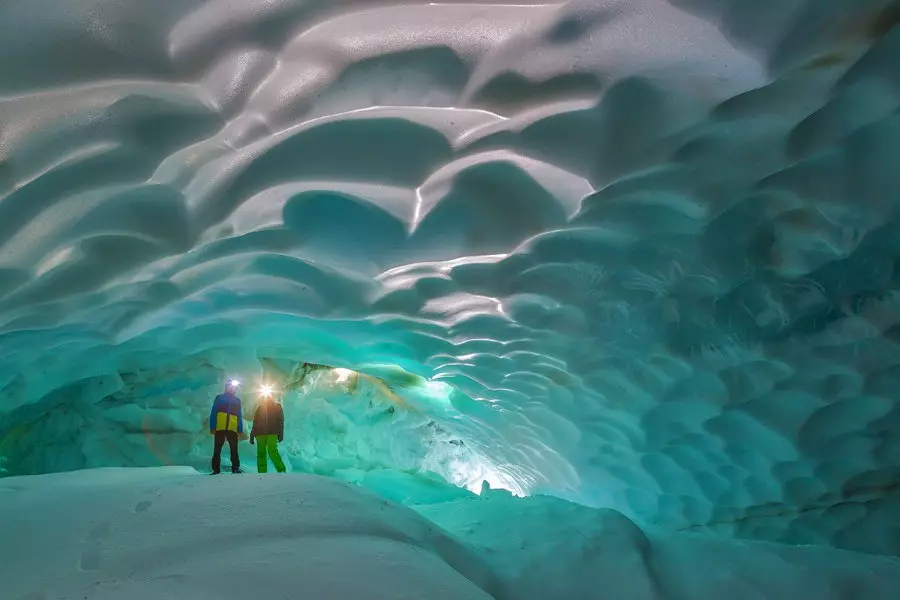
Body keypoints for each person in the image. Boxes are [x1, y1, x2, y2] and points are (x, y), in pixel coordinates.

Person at [209, 379, 245, 474]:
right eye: (230, 386)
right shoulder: (219, 398)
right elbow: (214, 412)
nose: (232, 388)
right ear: (226, 387)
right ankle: (216, 469)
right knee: (217, 449)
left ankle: (235, 468)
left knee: (234, 449)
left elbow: (239, 415)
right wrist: (213, 426)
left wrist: (240, 428)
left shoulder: (237, 400)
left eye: (233, 387)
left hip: (232, 428)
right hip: (220, 427)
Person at [249, 394, 286, 473]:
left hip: (272, 432)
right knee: (261, 453)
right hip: (259, 433)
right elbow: (255, 422)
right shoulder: (260, 408)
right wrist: (252, 435)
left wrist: (281, 433)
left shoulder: (277, 407)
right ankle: (262, 473)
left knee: (272, 450)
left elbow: (281, 421)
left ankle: (281, 470)